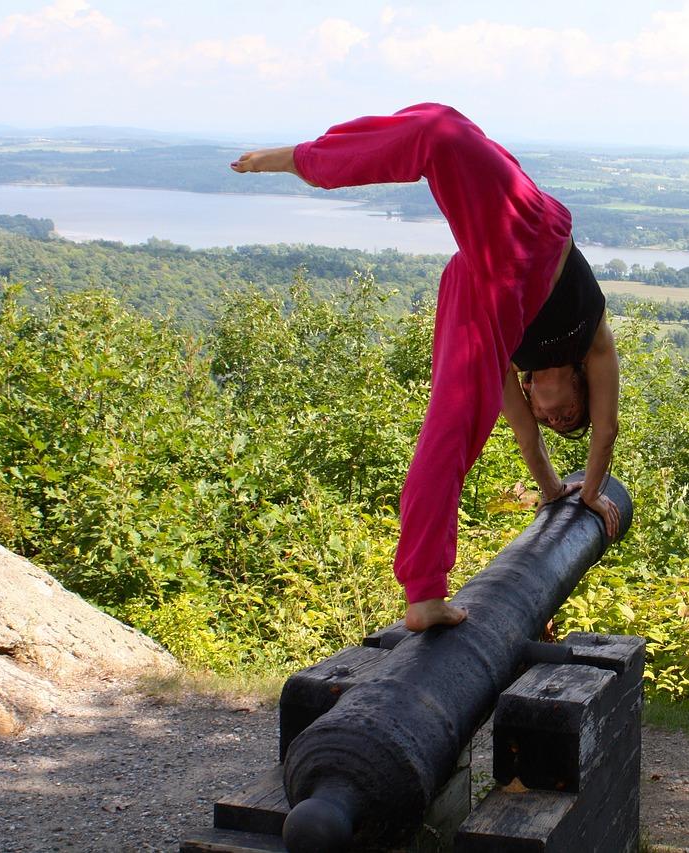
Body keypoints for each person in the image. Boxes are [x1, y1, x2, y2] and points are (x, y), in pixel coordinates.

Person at [230, 103, 620, 632]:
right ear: (577, 390)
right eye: (567, 416)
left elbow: (525, 438)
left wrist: (560, 492)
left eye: (555, 423)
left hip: (489, 285)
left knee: (449, 432)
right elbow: (608, 428)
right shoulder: (591, 339)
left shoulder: (506, 352)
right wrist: (588, 489)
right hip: (535, 227)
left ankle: (423, 592)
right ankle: (304, 160)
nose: (553, 419)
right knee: (444, 127)